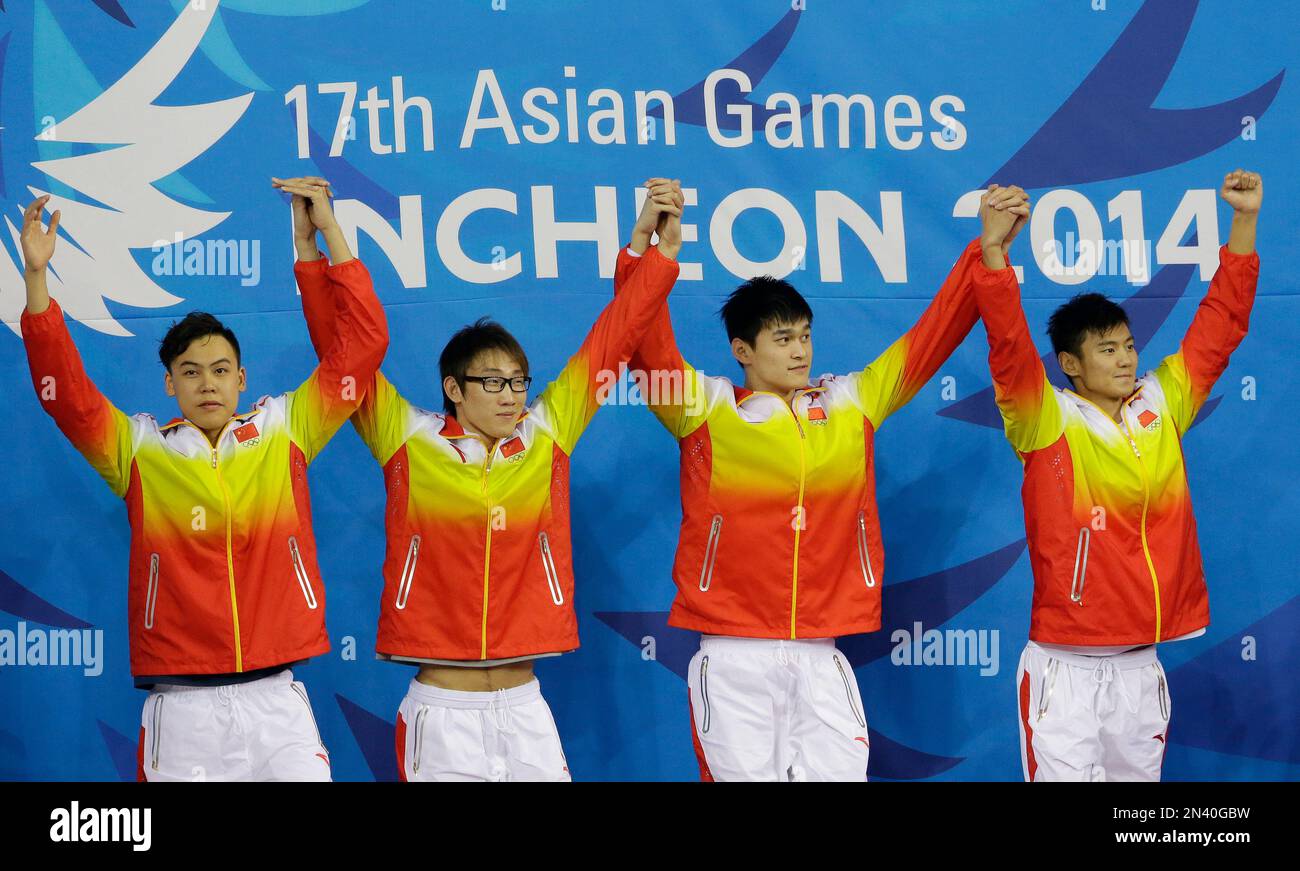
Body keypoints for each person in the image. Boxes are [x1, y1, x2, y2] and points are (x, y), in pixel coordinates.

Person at [617, 179, 1030, 781]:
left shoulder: (851, 402)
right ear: (742, 350)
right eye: (782, 339)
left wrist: (986, 253)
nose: (799, 350)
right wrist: (650, 256)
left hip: (822, 652)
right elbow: (641, 348)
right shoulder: (704, 409)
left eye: (805, 335)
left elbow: (934, 334)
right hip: (733, 656)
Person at [278, 175, 683, 781]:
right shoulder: (404, 439)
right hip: (441, 711)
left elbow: (615, 338)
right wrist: (319, 246)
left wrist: (655, 250)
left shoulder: (548, 434)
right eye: (492, 383)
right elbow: (344, 355)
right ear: (453, 390)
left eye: (519, 382)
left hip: (525, 707)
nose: (511, 396)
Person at [18, 185, 389, 781]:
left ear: (242, 379)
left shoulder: (284, 431)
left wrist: (322, 240)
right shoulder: (139, 451)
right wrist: (37, 282)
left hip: (277, 700)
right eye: (189, 372)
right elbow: (65, 398)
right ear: (169, 384)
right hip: (182, 707)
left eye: (220, 371)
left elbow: (364, 347)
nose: (207, 384)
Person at [972, 171, 1262, 781]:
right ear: (1071, 363)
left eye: (1128, 344)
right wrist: (996, 256)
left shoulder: (1164, 401)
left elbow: (1219, 327)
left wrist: (1243, 222)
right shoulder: (1044, 418)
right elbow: (1009, 347)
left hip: (1140, 665)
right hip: (1063, 670)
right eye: (1107, 349)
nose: (1127, 357)